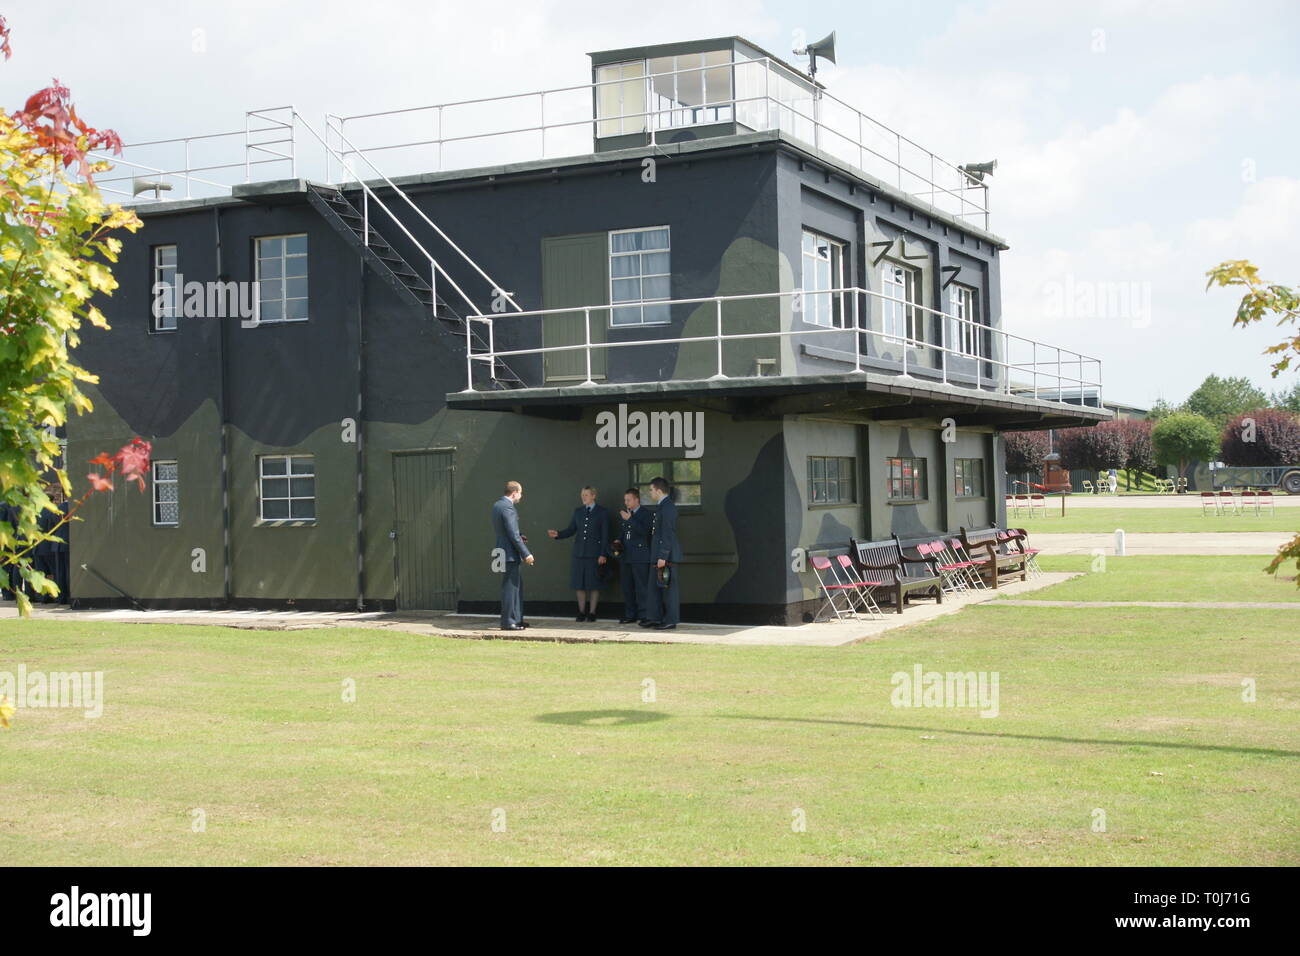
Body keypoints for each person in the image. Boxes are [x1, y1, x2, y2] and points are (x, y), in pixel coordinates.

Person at [548, 486, 610, 622]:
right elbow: (571, 529)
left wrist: (603, 554)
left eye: (586, 495)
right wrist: (558, 534)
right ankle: (581, 612)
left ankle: (592, 612)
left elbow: (605, 535)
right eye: (582, 495)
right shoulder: (578, 512)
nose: (583, 497)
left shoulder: (602, 512)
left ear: (593, 496)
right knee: (579, 584)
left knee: (594, 584)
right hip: (579, 553)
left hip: (594, 554)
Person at [640, 476, 682, 630]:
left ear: (658, 490)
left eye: (651, 490)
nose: (650, 492)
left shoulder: (668, 507)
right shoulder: (661, 506)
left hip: (666, 556)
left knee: (668, 589)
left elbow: (667, 533)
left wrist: (663, 556)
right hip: (657, 554)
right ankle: (655, 617)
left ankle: (671, 620)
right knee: (654, 588)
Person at [491, 480, 533, 631]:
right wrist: (526, 553)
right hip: (509, 552)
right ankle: (509, 622)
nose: (521, 496)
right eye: (520, 493)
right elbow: (512, 534)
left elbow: (508, 531)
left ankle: (517, 619)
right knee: (510, 588)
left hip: (501, 550)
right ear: (514, 492)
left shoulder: (497, 505)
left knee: (515, 586)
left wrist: (520, 535)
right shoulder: (508, 507)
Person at [616, 487, 653, 624]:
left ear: (637, 500)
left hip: (640, 555)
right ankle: (630, 614)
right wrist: (618, 539)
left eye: (629, 500)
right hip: (626, 555)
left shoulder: (646, 514)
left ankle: (644, 615)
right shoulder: (627, 513)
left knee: (641, 587)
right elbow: (624, 532)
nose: (626, 503)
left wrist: (630, 519)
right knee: (627, 586)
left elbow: (644, 531)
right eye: (625, 500)